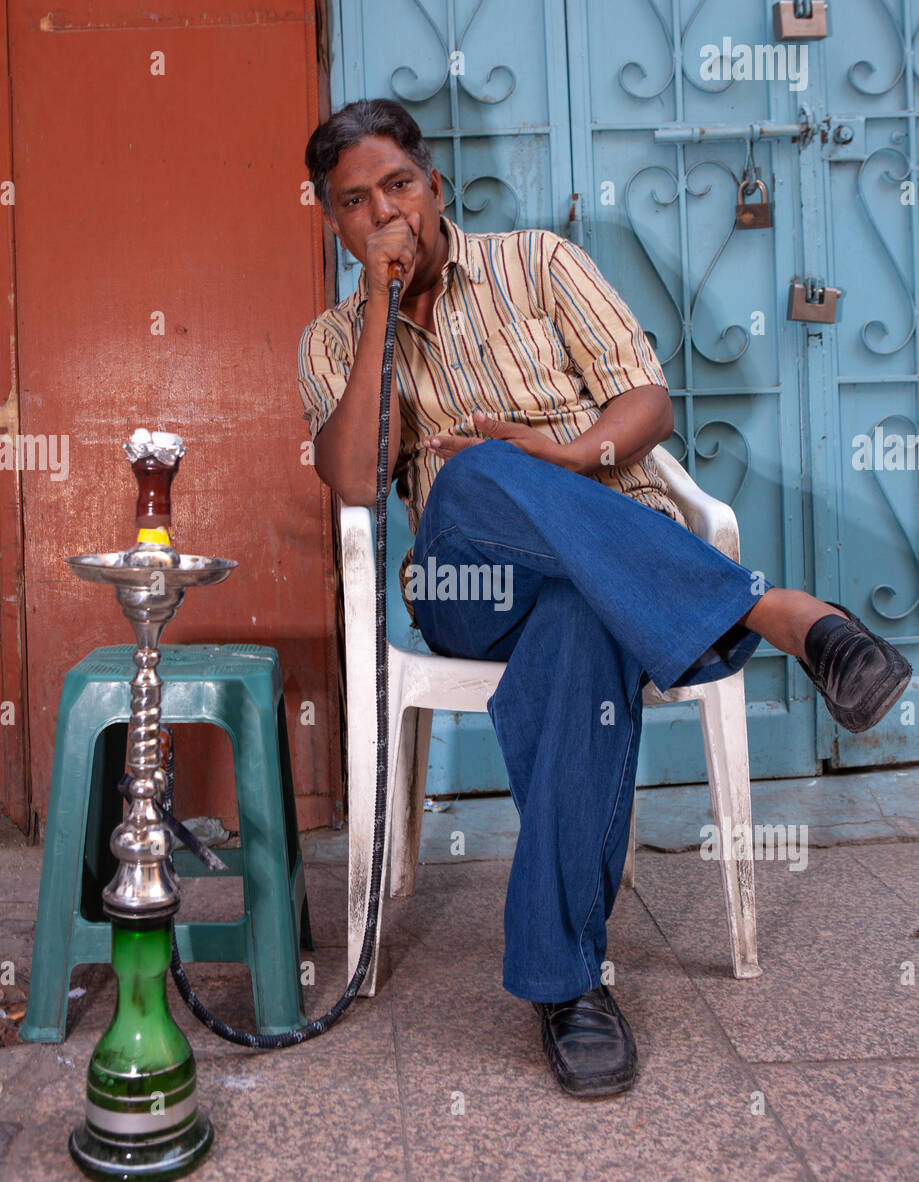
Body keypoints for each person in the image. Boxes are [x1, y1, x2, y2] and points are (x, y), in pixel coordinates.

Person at [298, 98, 913, 1097]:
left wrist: (567, 453)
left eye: (399, 187)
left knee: (584, 622)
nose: (385, 214)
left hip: (600, 566)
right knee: (469, 474)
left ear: (435, 186)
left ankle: (567, 983)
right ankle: (771, 613)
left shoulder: (536, 264)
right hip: (469, 579)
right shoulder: (331, 339)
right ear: (334, 222)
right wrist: (379, 306)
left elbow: (648, 401)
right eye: (355, 203)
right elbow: (361, 482)